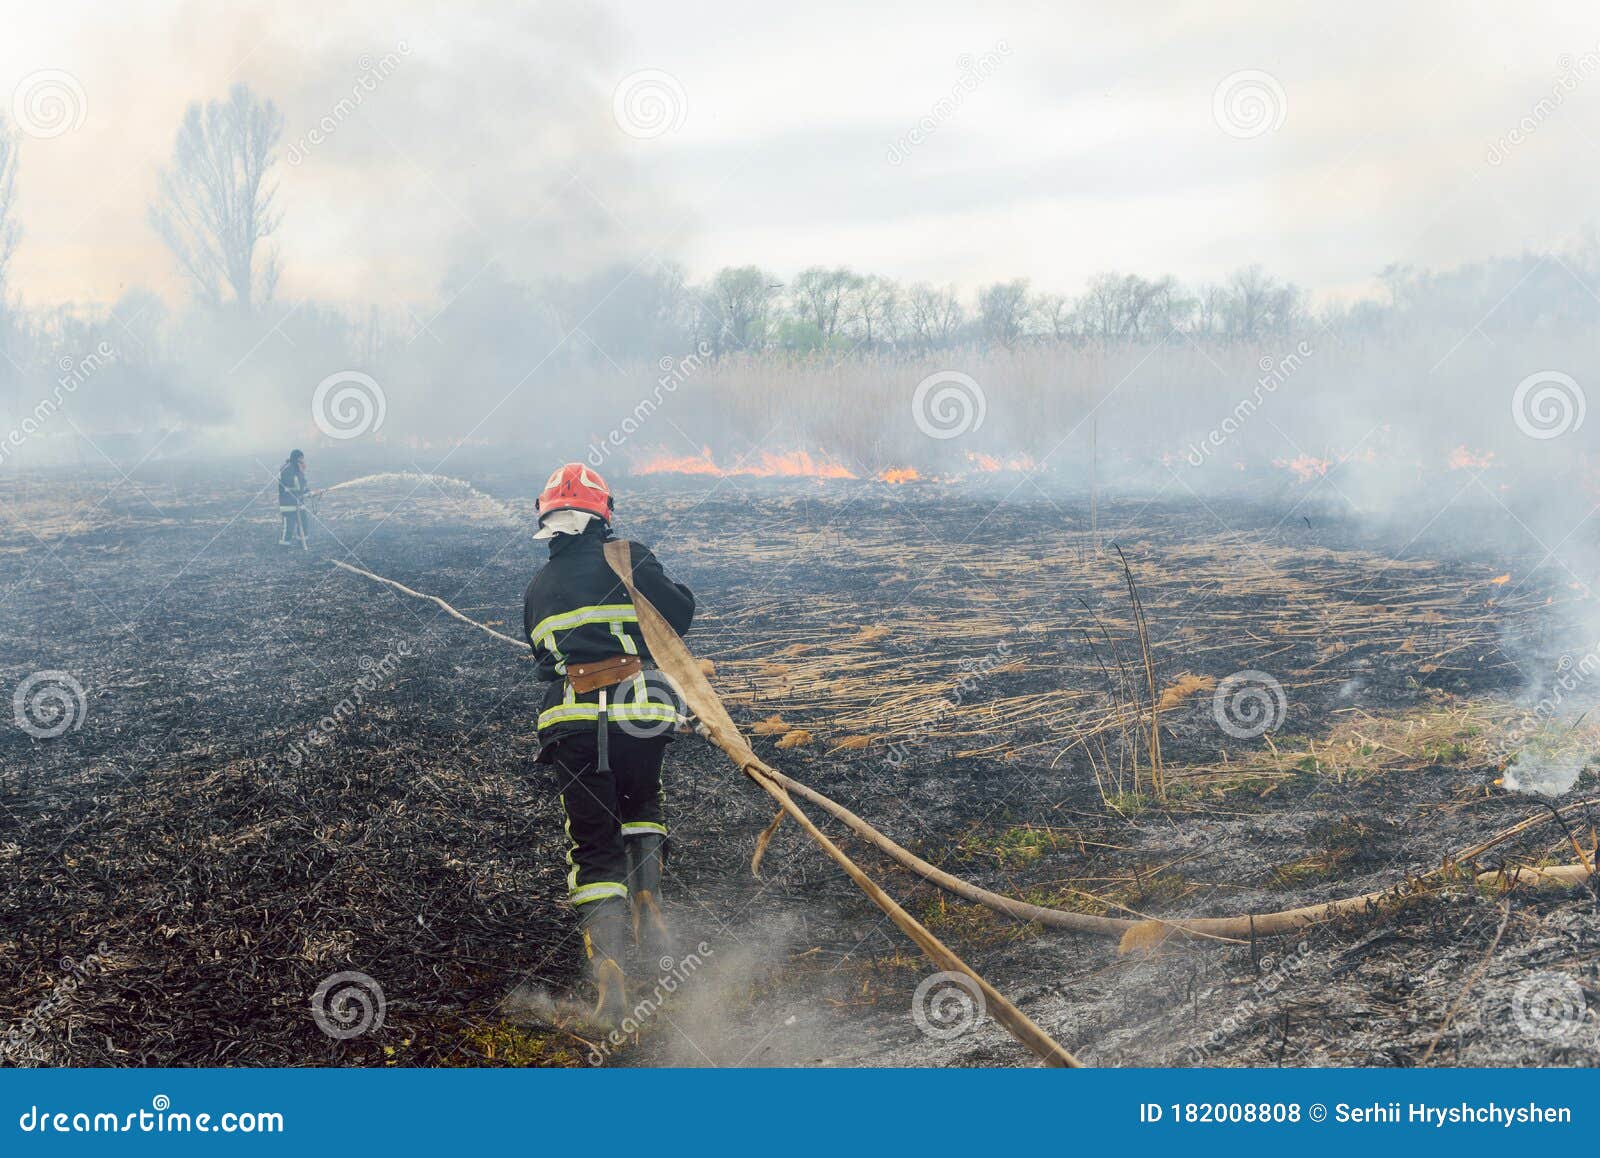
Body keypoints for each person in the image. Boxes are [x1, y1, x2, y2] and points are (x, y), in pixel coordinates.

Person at [523, 463, 695, 1027]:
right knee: (643, 801)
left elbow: (545, 661)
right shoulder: (628, 556)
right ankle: (648, 900)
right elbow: (680, 615)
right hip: (640, 709)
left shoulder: (538, 588)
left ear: (548, 523)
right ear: (603, 515)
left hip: (573, 720)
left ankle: (610, 976)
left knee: (593, 847)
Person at [278, 450, 312, 549]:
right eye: (301, 459)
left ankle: (302, 543)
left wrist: (308, 492)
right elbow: (290, 486)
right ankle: (284, 547)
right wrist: (301, 492)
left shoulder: (298, 469)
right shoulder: (287, 469)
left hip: (299, 502)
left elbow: (302, 484)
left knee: (304, 523)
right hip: (288, 504)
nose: (303, 461)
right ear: (296, 459)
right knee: (288, 526)